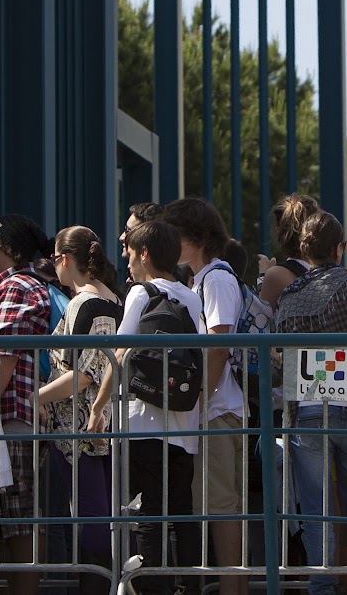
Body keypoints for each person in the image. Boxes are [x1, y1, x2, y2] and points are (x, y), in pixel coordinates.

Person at [274, 210, 347, 595]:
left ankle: (321, 586)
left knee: (315, 512)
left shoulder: (289, 296)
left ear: (305, 250)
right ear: (341, 248)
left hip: (306, 407)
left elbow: (280, 351)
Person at [87, 220, 205, 595]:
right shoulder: (190, 297)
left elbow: (119, 355)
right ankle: (188, 585)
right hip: (183, 424)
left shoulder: (141, 293)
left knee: (148, 511)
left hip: (141, 420)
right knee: (180, 511)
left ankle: (151, 587)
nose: (127, 261)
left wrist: (98, 407)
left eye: (130, 252)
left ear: (145, 254)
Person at [164, 197, 247, 595]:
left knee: (221, 507)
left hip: (214, 412)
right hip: (210, 409)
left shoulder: (215, 279)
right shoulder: (203, 279)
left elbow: (218, 346)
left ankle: (233, 588)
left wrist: (198, 399)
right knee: (214, 505)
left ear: (195, 238)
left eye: (174, 235)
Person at [36, 226, 123, 595]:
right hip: (101, 426)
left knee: (92, 522)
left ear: (66, 259)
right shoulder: (114, 299)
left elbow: (86, 373)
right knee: (104, 514)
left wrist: (35, 397)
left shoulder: (84, 303)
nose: (54, 266)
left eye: (55, 258)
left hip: (82, 429)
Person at [0, 214, 55, 595]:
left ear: (8, 249)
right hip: (18, 418)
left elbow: (3, 357)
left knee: (18, 521)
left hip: (10, 419)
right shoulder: (27, 284)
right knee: (14, 522)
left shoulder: (15, 287)